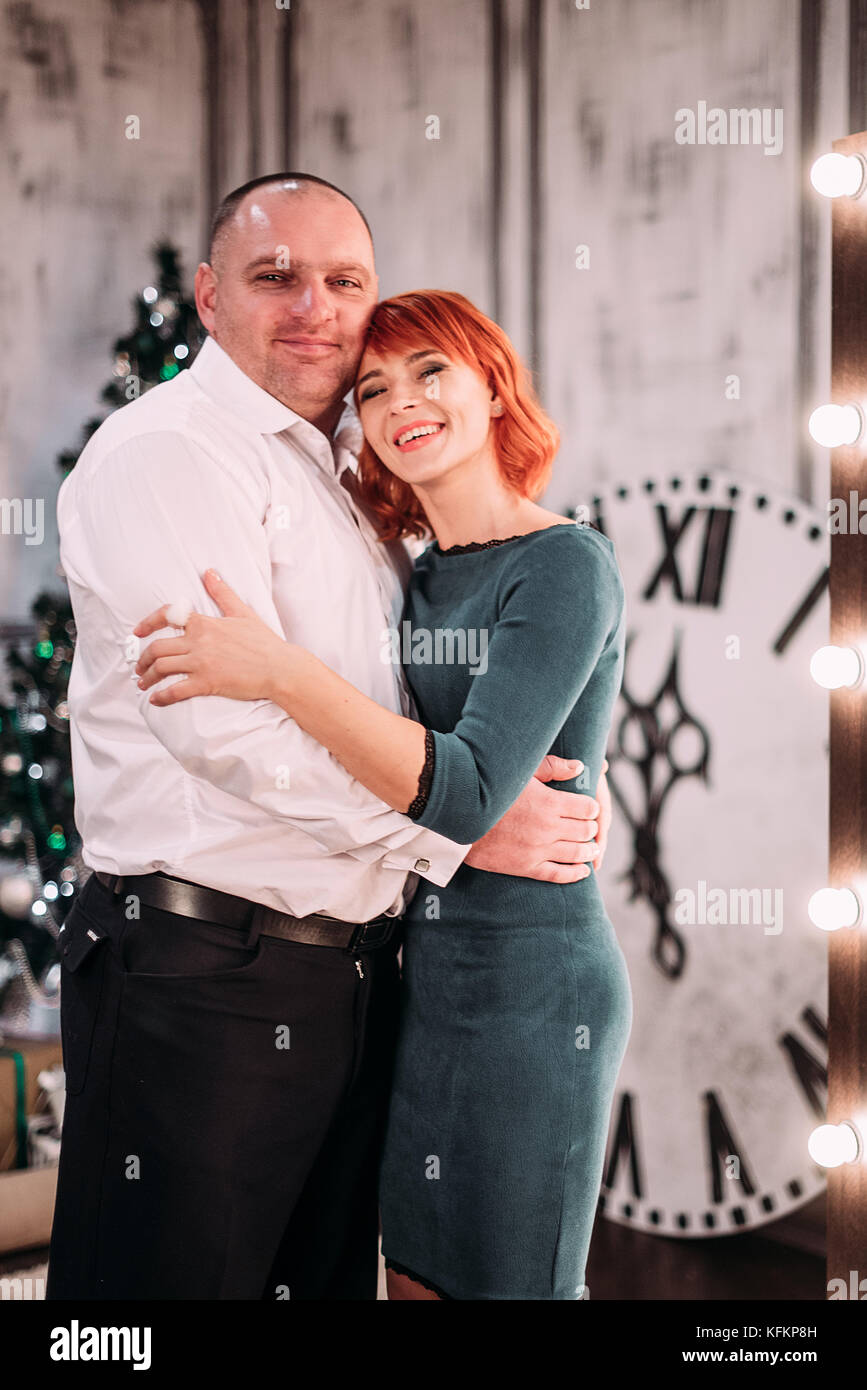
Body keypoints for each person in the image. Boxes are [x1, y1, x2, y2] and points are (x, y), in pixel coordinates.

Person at [47, 173, 608, 1301]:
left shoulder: (359, 481)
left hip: (356, 980)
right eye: (275, 276)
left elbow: (420, 711)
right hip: (203, 972)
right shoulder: (171, 451)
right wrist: (450, 832)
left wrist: (450, 814)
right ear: (209, 298)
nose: (314, 304)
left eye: (344, 281)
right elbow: (227, 733)